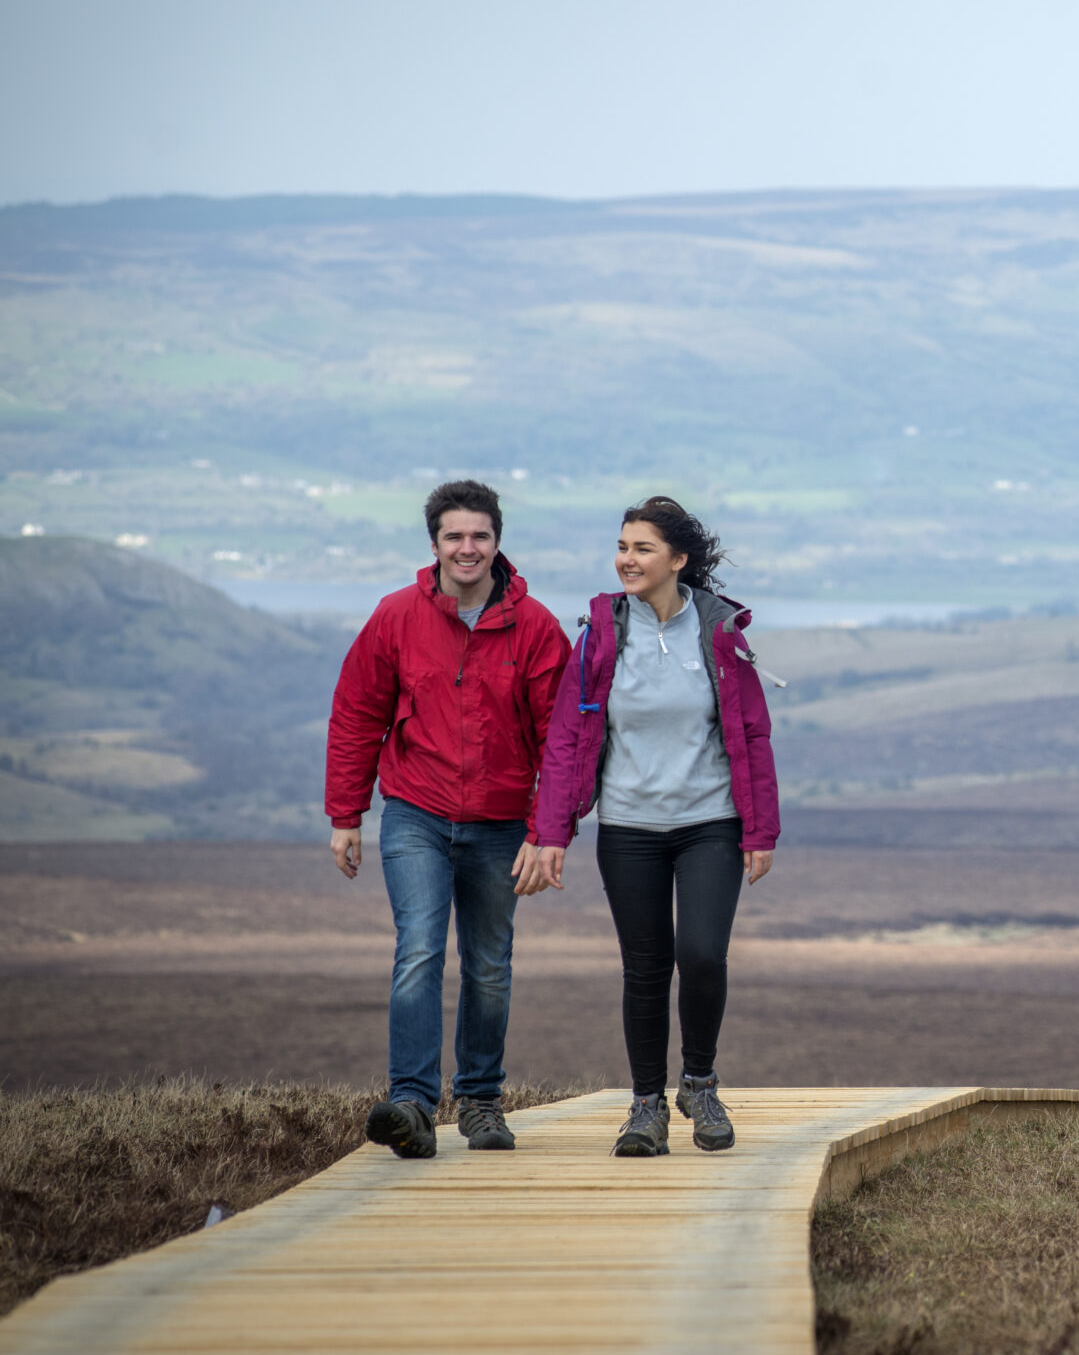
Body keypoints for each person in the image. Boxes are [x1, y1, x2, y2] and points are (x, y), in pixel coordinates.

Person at [522, 497, 779, 1156]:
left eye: (641, 548)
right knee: (644, 966)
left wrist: (760, 831)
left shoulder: (719, 634)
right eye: (622, 546)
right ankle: (645, 1106)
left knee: (700, 954)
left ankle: (698, 1080)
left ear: (678, 560)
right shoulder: (603, 634)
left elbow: (751, 730)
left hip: (710, 823)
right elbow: (567, 737)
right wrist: (552, 831)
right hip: (629, 826)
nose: (626, 559)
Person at [327, 479, 570, 1159]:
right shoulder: (396, 616)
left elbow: (562, 740)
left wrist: (547, 830)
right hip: (416, 815)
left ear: (497, 542)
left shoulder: (537, 627)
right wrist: (347, 815)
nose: (468, 547)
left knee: (489, 963)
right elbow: (356, 714)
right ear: (434, 543)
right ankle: (410, 1101)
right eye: (454, 536)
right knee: (420, 950)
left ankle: (482, 1101)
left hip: (501, 824)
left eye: (480, 535)